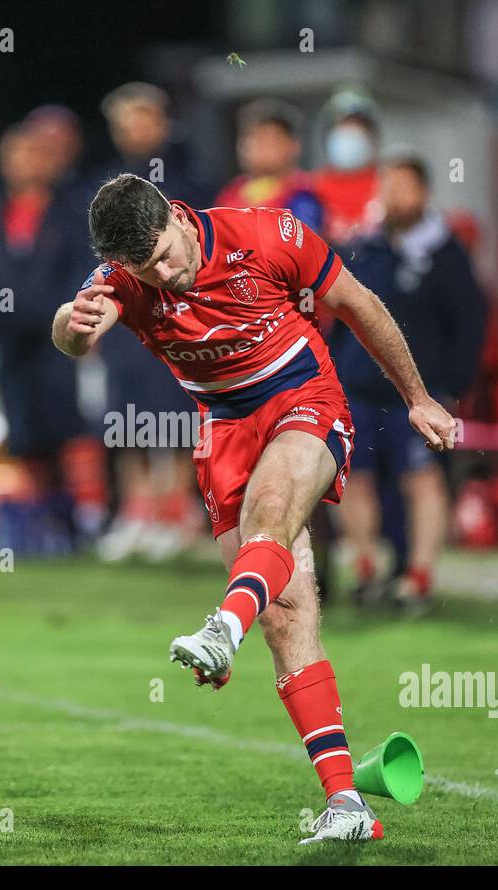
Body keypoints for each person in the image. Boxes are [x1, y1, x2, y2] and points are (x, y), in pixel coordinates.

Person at [51, 173, 456, 843]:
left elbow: (360, 305)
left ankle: (219, 628)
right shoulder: (126, 278)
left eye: (164, 256)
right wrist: (73, 323)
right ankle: (349, 807)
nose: (163, 275)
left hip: (304, 399)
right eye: (142, 270)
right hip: (224, 432)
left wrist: (416, 397)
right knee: (285, 615)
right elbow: (77, 335)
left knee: (271, 513)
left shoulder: (266, 235)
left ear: (175, 218)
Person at [329, 154, 486, 609]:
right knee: (350, 478)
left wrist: (452, 388)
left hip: (418, 394)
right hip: (357, 388)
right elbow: (342, 315)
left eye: (403, 186)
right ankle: (365, 571)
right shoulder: (365, 247)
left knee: (421, 480)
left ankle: (418, 578)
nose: (393, 195)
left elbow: (469, 325)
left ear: (424, 192)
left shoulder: (447, 255)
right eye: (388, 185)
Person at [89, 82, 207, 560]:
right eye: (123, 122)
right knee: (126, 415)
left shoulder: (187, 177)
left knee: (175, 414)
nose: (132, 130)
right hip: (124, 310)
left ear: (160, 122)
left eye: (141, 119)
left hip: (175, 310)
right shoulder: (101, 183)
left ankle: (175, 510)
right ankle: (136, 511)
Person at [0, 124, 87, 538]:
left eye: (35, 155)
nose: (26, 164)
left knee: (64, 424)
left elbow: (79, 268)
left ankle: (76, 516)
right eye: (18, 155)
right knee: (22, 429)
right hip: (9, 339)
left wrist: (67, 318)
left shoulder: (69, 212)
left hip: (58, 337)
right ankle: (37, 521)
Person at [216, 99, 323, 230]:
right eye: (251, 137)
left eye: (268, 138)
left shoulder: (304, 195)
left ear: (293, 146)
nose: (258, 146)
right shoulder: (230, 194)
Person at [312, 87, 383, 246]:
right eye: (344, 125)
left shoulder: (387, 186)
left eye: (359, 127)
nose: (351, 133)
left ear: (373, 136)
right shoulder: (311, 189)